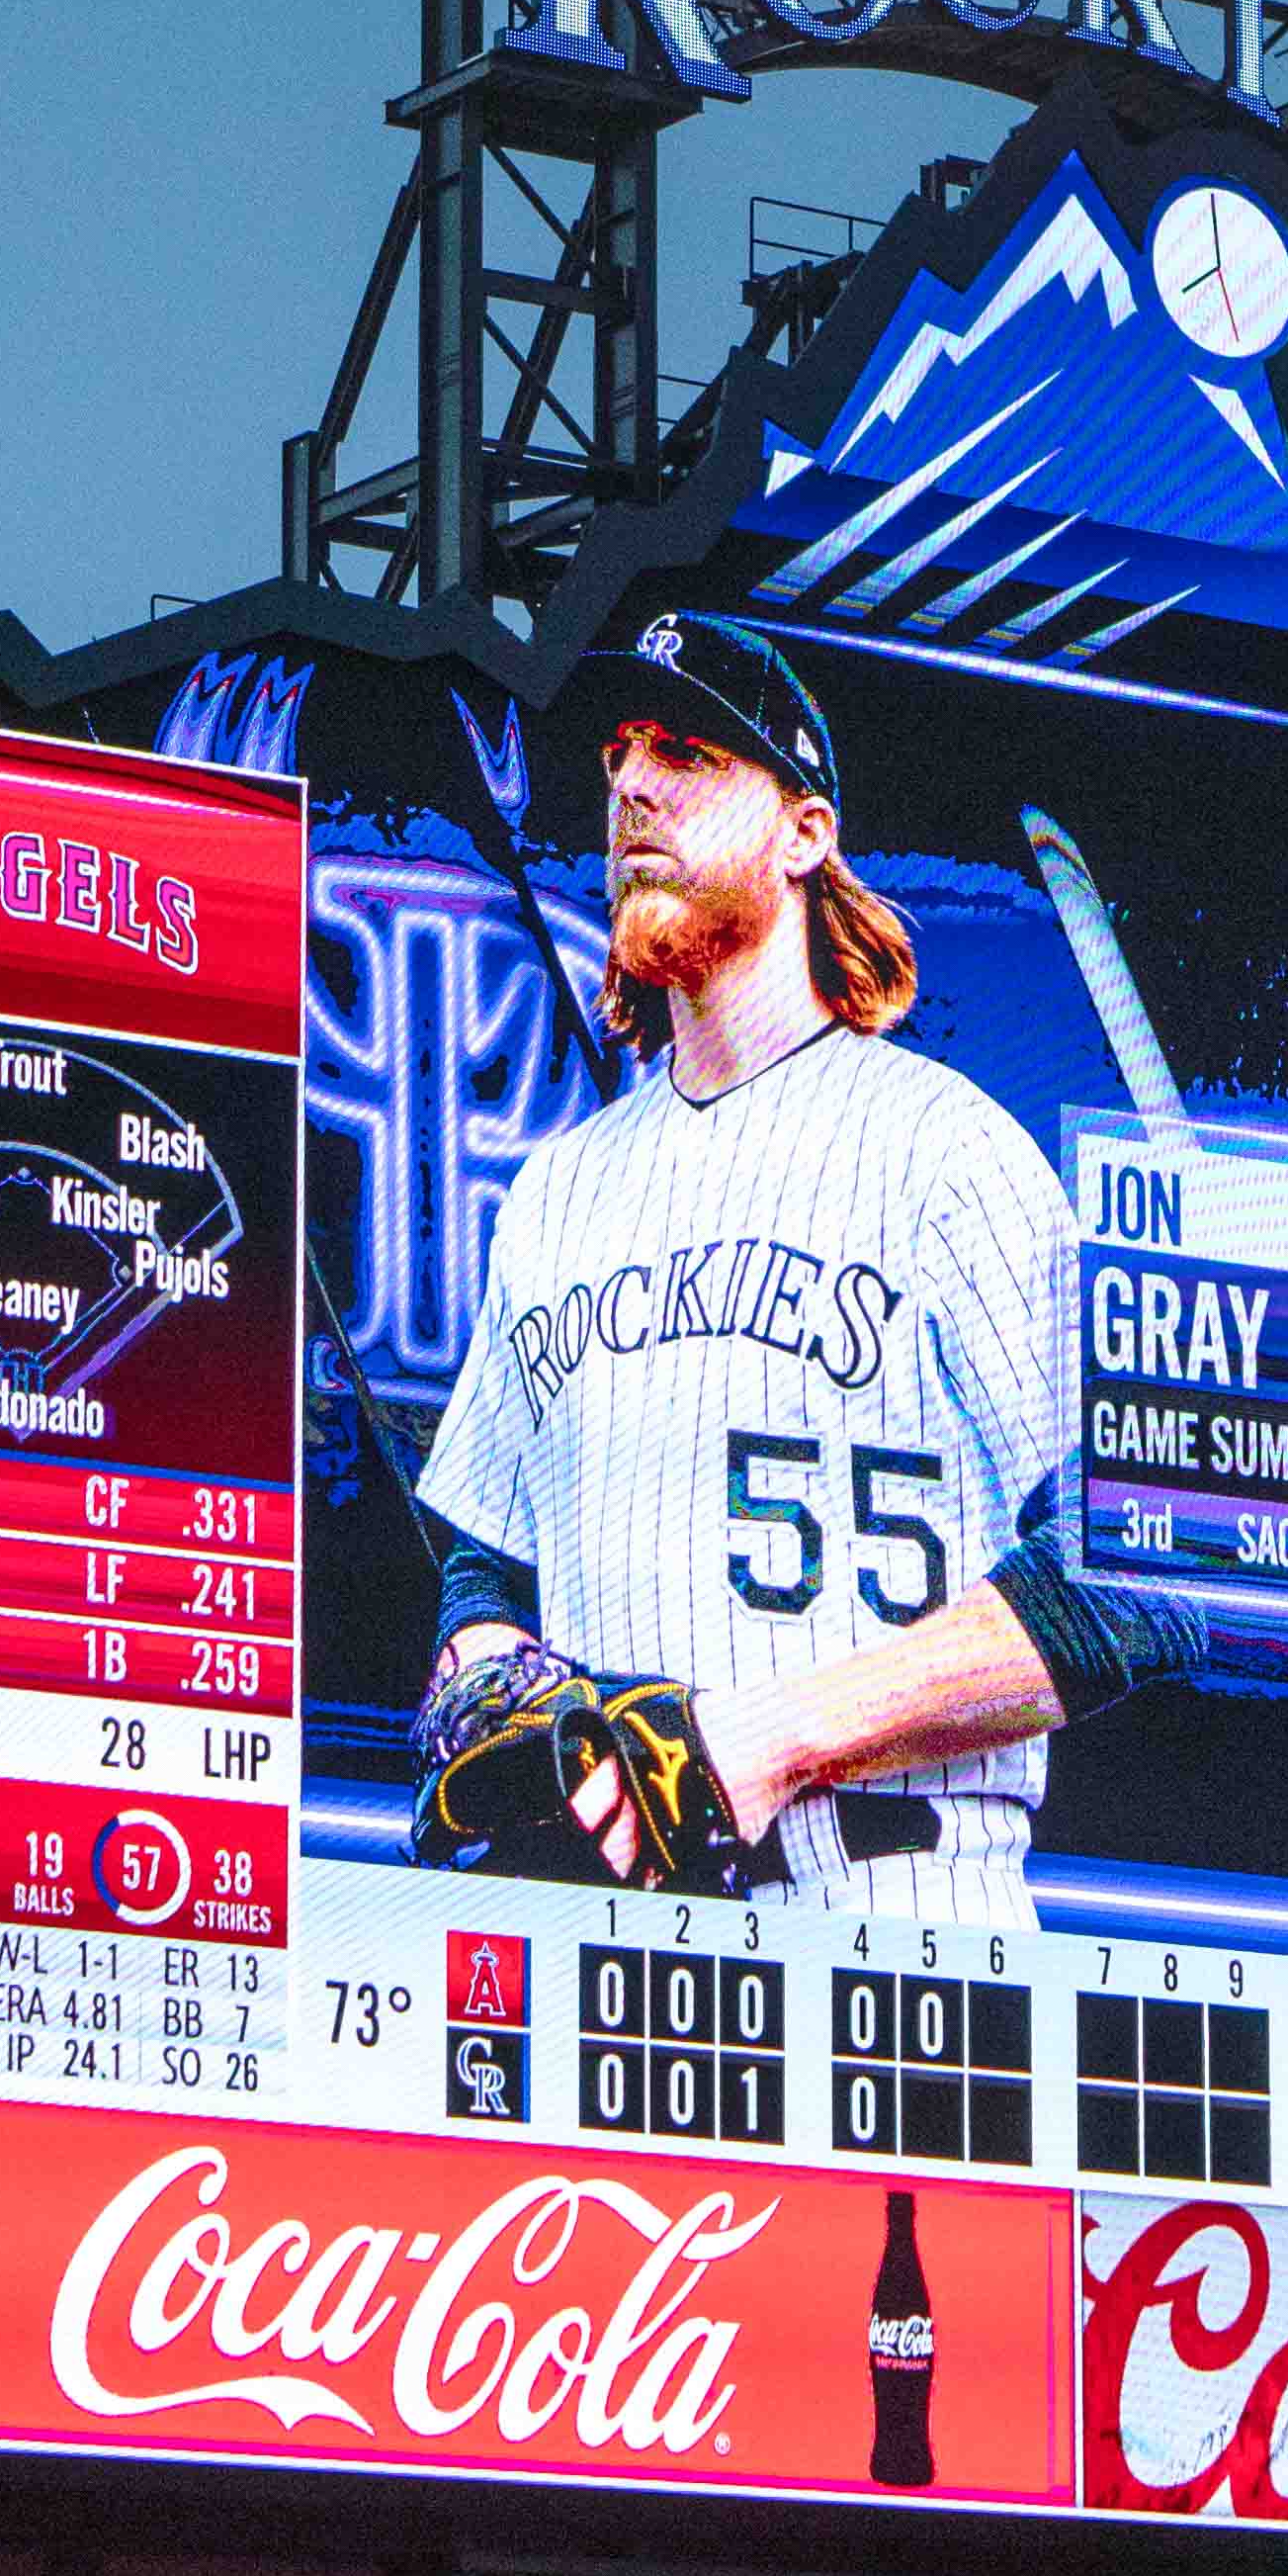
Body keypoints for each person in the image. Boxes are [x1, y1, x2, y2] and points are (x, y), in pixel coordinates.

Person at [407, 614, 1155, 1924]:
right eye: (621, 755)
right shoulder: (558, 1193)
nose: (631, 785)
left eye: (686, 751)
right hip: (611, 1941)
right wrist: (490, 1672)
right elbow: (488, 1567)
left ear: (806, 834)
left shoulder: (942, 1147)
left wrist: (757, 1742)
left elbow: (1139, 1575)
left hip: (902, 1907)